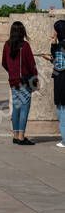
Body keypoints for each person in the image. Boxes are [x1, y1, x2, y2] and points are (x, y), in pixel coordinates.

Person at [1, 21, 38, 145]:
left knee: (16, 108)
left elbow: (4, 63)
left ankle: (15, 135)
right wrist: (35, 78)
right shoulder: (25, 46)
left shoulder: (7, 45)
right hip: (25, 81)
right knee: (24, 108)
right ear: (22, 32)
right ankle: (21, 136)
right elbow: (31, 64)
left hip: (13, 81)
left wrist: (12, 73)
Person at [44, 20, 65, 148]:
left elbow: (60, 65)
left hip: (62, 81)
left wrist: (53, 44)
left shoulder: (61, 45)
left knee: (61, 110)